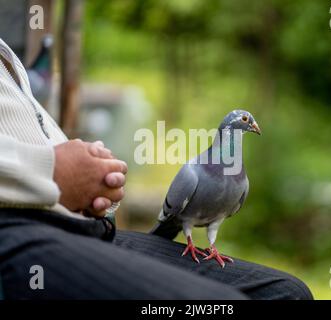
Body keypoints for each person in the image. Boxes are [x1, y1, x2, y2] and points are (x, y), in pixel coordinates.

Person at [0, 38, 313, 300]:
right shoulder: (194, 172)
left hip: (84, 226)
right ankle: (189, 241)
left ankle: (210, 246)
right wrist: (50, 171)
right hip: (19, 226)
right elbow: (50, 168)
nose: (251, 125)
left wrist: (96, 177)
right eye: (245, 121)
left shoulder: (9, 57)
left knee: (289, 293)